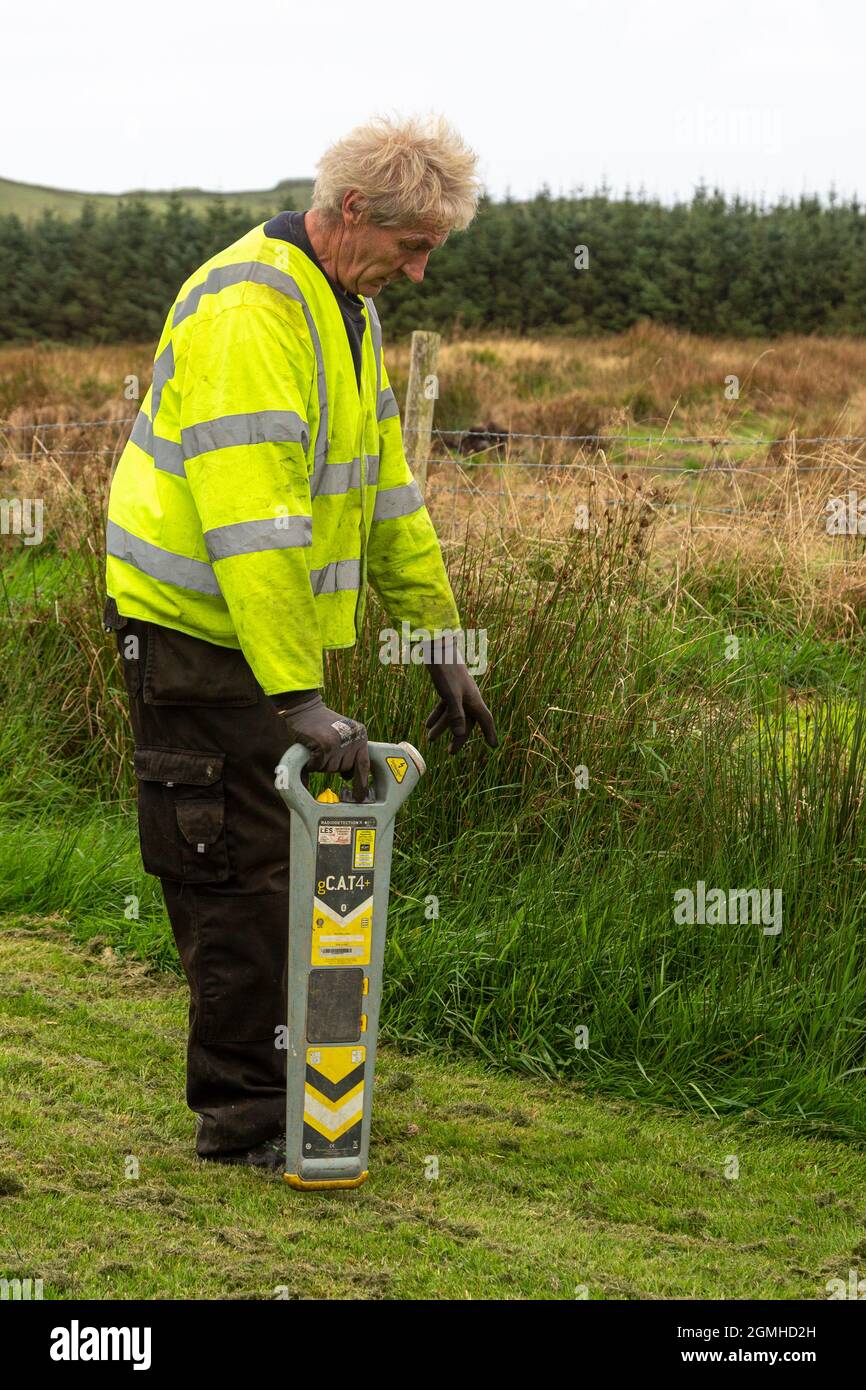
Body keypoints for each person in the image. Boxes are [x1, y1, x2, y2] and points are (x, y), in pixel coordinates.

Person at [102, 113, 498, 1170]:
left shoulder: (344, 306)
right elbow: (254, 521)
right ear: (353, 211)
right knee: (234, 874)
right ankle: (241, 1120)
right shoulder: (251, 312)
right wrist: (296, 697)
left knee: (287, 873)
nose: (417, 272)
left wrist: (436, 640)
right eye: (411, 246)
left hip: (255, 640)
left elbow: (386, 495)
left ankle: (291, 1096)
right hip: (193, 632)